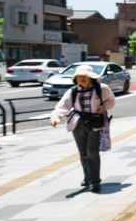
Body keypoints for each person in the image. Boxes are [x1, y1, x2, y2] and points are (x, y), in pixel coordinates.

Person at [49, 64, 115, 192]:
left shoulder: (102, 88)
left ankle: (95, 181)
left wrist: (103, 107)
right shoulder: (73, 91)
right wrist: (56, 117)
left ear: (91, 77)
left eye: (85, 76)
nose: (82, 78)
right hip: (78, 123)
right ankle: (87, 177)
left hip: (95, 122)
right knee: (83, 152)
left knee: (92, 152)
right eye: (79, 76)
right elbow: (62, 106)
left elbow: (111, 101)